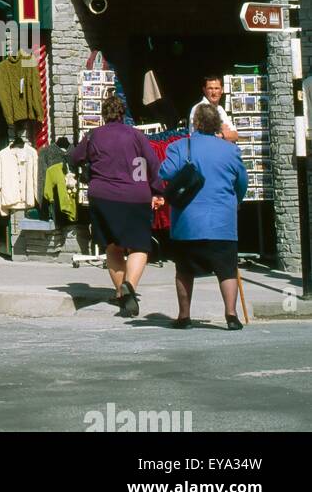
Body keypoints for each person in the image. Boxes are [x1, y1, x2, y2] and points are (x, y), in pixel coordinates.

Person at [68, 94, 164, 317]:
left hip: (103, 197)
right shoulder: (136, 135)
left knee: (112, 246)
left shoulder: (93, 135)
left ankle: (122, 294)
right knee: (139, 246)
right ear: (123, 114)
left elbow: (74, 159)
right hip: (135, 196)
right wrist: (158, 190)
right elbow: (153, 163)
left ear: (104, 114)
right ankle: (129, 286)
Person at [159, 102, 248, 330]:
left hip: (188, 222)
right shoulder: (230, 150)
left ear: (195, 123)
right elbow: (241, 183)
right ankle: (231, 315)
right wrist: (234, 201)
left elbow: (165, 172)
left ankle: (184, 316)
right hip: (222, 223)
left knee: (184, 270)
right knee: (227, 270)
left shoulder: (181, 146)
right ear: (218, 124)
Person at [188, 76, 237, 143]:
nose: (214, 92)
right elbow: (201, 138)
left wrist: (222, 135)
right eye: (210, 88)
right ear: (204, 90)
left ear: (222, 90)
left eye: (216, 88)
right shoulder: (198, 108)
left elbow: (235, 135)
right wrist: (223, 132)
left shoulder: (220, 109)